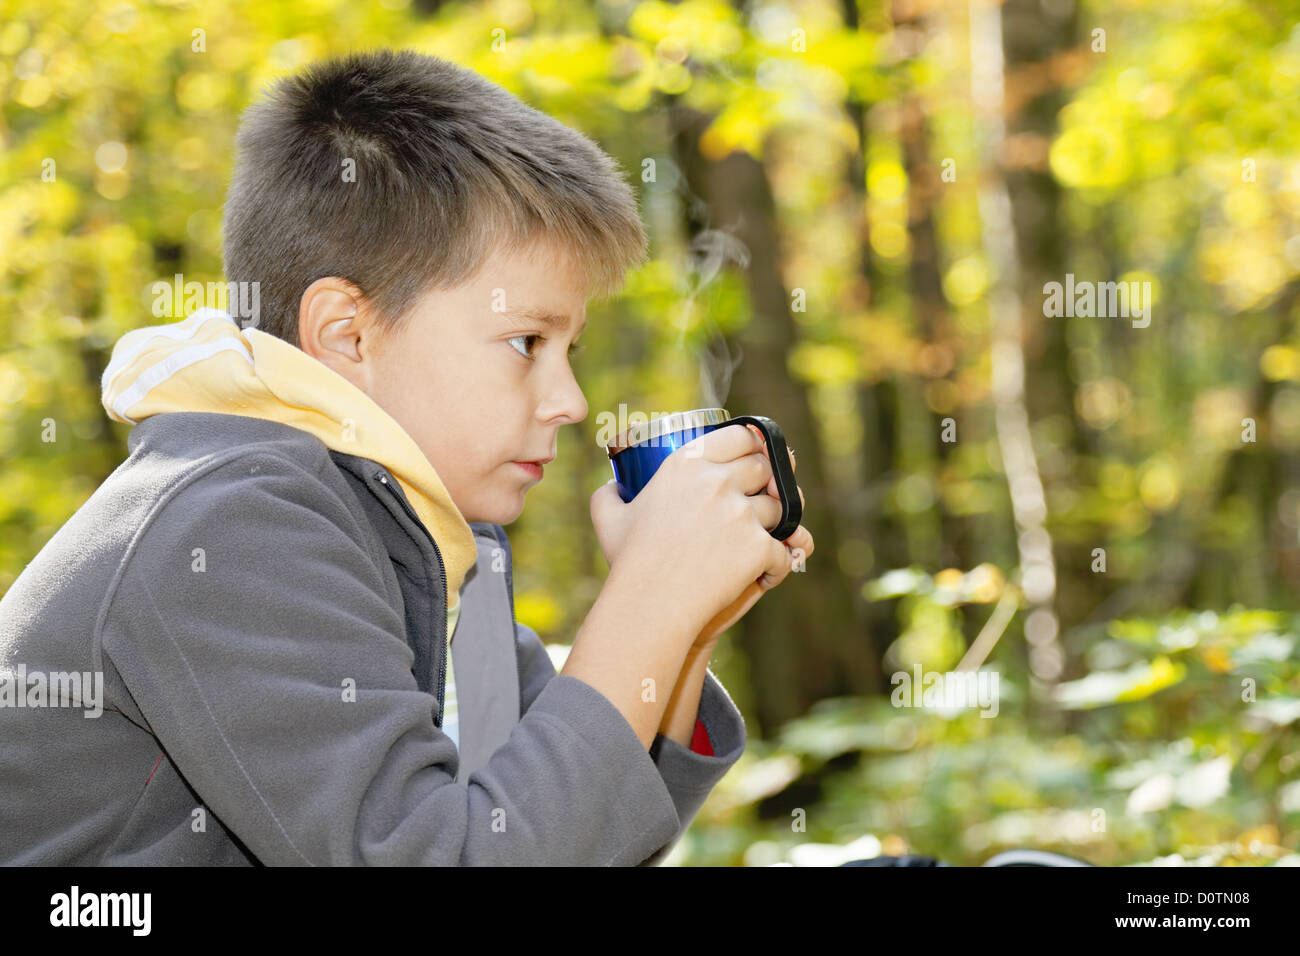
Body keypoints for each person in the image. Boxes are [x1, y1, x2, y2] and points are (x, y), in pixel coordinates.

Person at [0, 49, 813, 865]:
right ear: (348, 334)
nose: (570, 400)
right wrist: (649, 601)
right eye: (527, 341)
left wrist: (686, 629)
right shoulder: (232, 522)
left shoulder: (439, 543)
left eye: (571, 346)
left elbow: (568, 834)